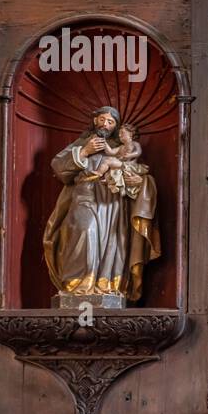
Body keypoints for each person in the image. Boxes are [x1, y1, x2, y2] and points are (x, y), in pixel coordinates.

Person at [43, 106, 161, 304]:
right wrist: (85, 151)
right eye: (102, 119)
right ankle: (76, 286)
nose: (105, 124)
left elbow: (137, 173)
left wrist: (138, 182)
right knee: (83, 231)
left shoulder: (119, 147)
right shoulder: (82, 143)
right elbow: (59, 168)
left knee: (113, 242)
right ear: (95, 120)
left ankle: (107, 285)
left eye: (111, 122)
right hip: (84, 194)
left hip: (112, 201)